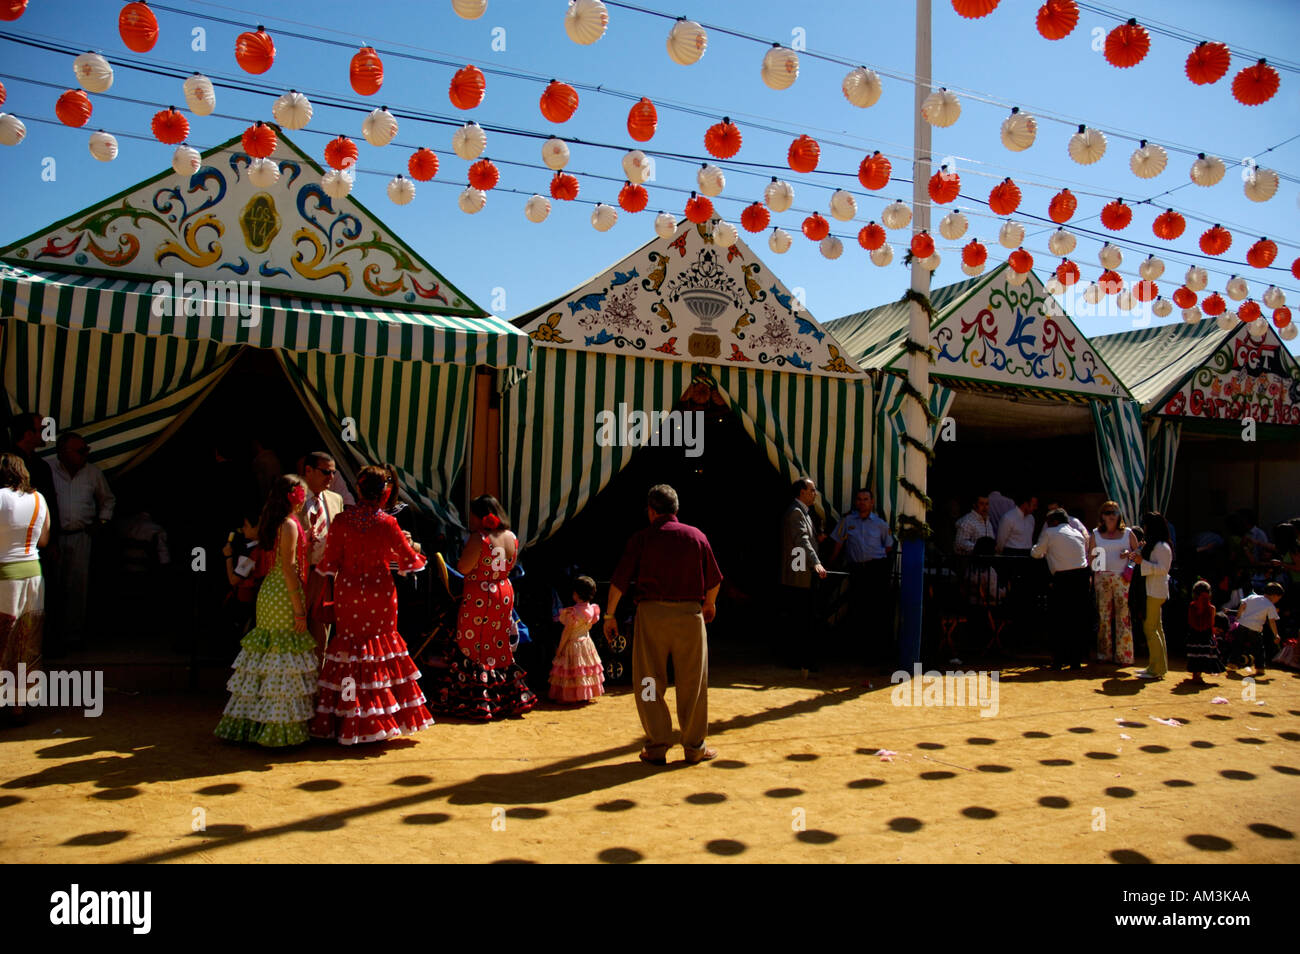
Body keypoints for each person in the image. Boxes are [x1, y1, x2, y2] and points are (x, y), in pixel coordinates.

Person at [310, 466, 433, 744]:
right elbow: (409, 560)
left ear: (359, 489)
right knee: (379, 649)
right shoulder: (387, 523)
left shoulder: (341, 520)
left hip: (348, 590)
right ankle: (378, 719)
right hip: (380, 592)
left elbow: (329, 561)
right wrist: (412, 550)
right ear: (384, 493)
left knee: (349, 648)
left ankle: (346, 717)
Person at [605, 484, 722, 765]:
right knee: (692, 681)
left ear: (651, 511)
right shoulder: (696, 536)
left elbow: (620, 581)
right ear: (676, 510)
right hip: (689, 617)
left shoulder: (642, 538)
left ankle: (656, 745)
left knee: (648, 680)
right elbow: (715, 580)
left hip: (652, 616)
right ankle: (694, 747)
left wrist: (609, 615)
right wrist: (709, 604)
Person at [214, 475, 317, 747]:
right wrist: (299, 608)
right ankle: (277, 728)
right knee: (283, 659)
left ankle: (252, 723)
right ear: (295, 496)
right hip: (283, 593)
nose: (305, 497)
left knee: (267, 657)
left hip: (270, 593)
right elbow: (289, 568)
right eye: (302, 493)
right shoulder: (290, 525)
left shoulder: (280, 523)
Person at [432, 494, 537, 721]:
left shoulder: (479, 538)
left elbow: (464, 567)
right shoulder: (511, 536)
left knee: (473, 643)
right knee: (496, 643)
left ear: (481, 516)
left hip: (480, 593)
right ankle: (507, 698)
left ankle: (480, 701)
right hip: (504, 591)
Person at [49, 432, 115, 648]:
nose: (85, 454)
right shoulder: (48, 469)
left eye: (86, 450)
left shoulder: (92, 473)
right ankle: (52, 637)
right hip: (53, 537)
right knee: (52, 587)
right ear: (63, 452)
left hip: (81, 536)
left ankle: (73, 637)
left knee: (77, 587)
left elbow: (108, 500)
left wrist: (102, 522)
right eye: (80, 451)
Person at [0, 455, 52, 724]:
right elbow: (43, 540)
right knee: (26, 640)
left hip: (4, 576)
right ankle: (19, 707)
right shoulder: (38, 499)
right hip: (33, 573)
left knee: (3, 641)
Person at [829, 488, 893, 649]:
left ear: (872, 502)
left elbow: (888, 547)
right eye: (859, 499)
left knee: (876, 608)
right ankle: (858, 646)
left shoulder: (881, 524)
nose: (862, 502)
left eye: (866, 499)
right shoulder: (848, 521)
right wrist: (831, 562)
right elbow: (838, 543)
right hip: (857, 569)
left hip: (876, 569)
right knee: (858, 605)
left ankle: (877, 648)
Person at [1031, 508, 1091, 670]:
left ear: (1054, 522)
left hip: (1063, 580)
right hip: (1081, 579)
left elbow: (1036, 553)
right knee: (1076, 620)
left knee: (1059, 620)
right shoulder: (1077, 534)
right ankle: (1075, 660)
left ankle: (1059, 659)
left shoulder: (1050, 533)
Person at [297, 452, 343, 664]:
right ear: (308, 471)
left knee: (320, 638)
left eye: (333, 472)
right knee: (294, 633)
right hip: (298, 575)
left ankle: (316, 692)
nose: (331, 478)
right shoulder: (294, 497)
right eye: (325, 472)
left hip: (325, 577)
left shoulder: (335, 500)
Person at [780, 478, 828, 671]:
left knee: (803, 618)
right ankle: (798, 659)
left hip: (802, 575)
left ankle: (801, 658)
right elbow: (802, 541)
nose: (814, 493)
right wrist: (816, 562)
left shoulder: (803, 513)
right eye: (812, 490)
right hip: (798, 577)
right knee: (800, 619)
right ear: (801, 492)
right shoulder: (796, 513)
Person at [1092, 501, 1139, 665]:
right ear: (1102, 516)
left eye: (1114, 512)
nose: (1111, 516)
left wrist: (1129, 561)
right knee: (1103, 616)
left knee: (1123, 616)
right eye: (1107, 512)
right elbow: (1092, 557)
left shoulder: (1127, 533)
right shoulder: (1096, 534)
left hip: (1122, 578)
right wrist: (1097, 572)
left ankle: (1124, 655)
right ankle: (1103, 653)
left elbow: (1138, 553)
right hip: (1102, 577)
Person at [549, 574, 605, 704]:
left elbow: (566, 632)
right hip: (586, 642)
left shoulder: (572, 612)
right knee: (584, 670)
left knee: (572, 670)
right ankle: (585, 694)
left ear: (576, 594)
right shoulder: (592, 609)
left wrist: (560, 648)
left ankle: (571, 695)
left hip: (573, 644)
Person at [1131, 512, 1173, 681]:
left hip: (1154, 592)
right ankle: (1156, 666)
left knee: (1151, 629)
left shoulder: (1162, 546)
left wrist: (1143, 562)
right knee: (1156, 628)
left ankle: (1157, 668)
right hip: (1153, 591)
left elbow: (1163, 569)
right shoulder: (1156, 544)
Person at [1232, 582, 1283, 678]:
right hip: (1255, 629)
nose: (1277, 600)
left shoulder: (1252, 597)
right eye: (1278, 598)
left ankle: (1232, 663)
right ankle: (1260, 667)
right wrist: (1276, 634)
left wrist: (1238, 617)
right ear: (1274, 596)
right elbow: (1272, 621)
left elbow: (1242, 605)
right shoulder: (1270, 605)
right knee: (1258, 649)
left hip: (1242, 625)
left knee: (1238, 645)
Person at [1184, 580, 1221, 685]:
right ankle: (1199, 675)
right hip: (1205, 635)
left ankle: (1195, 675)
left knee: (1194, 655)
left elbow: (1190, 621)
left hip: (1194, 635)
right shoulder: (1211, 608)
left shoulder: (1192, 606)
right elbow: (1211, 624)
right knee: (1203, 655)